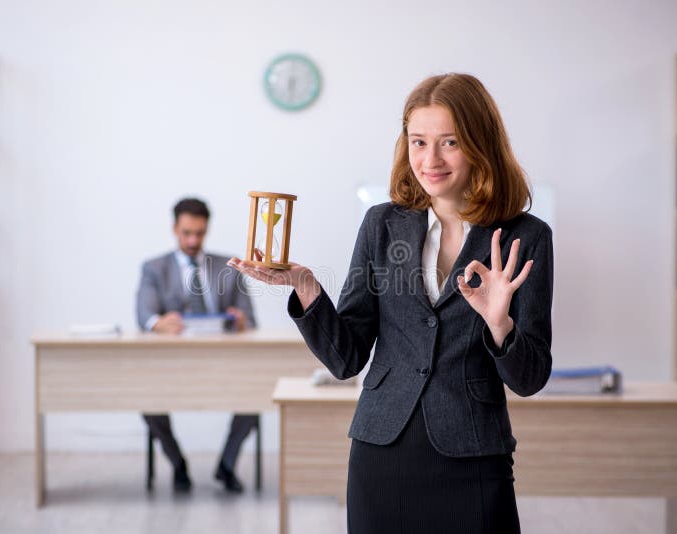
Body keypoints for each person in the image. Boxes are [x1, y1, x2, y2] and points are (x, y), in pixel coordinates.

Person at [229, 73, 553, 533]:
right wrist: (305, 286)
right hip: (382, 448)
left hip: (474, 451)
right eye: (418, 142)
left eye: (450, 142)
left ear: (481, 144)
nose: (430, 159)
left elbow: (531, 377)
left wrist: (499, 324)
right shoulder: (382, 224)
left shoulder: (528, 236)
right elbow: (347, 358)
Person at [137, 197, 259, 493]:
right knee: (145, 401)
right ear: (174, 228)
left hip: (222, 362)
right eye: (186, 233)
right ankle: (177, 464)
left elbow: (250, 320)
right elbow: (144, 315)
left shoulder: (229, 267)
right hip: (171, 364)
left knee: (258, 393)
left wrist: (240, 320)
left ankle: (227, 465)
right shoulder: (154, 268)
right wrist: (157, 323)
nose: (193, 240)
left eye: (200, 233)